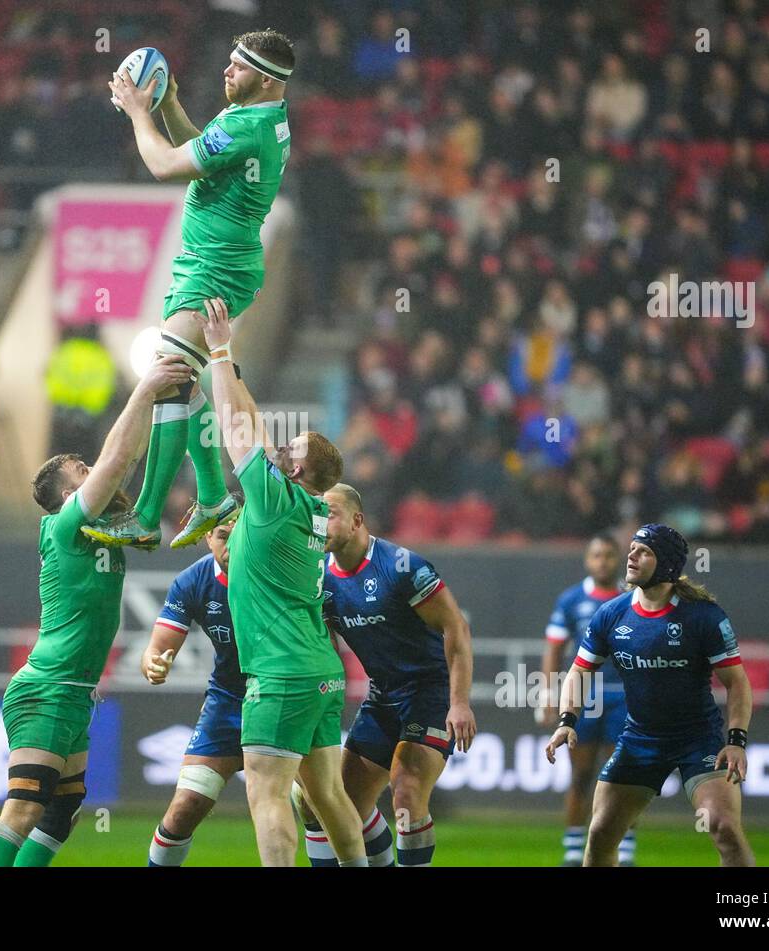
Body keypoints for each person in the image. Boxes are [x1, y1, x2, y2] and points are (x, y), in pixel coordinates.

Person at [83, 29, 296, 551]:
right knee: (180, 380)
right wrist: (170, 104)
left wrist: (139, 112)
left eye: (238, 67)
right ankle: (211, 495)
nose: (227, 72)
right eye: (227, 61)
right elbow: (197, 150)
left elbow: (163, 166)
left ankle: (148, 514)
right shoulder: (254, 115)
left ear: (265, 79)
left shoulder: (250, 127)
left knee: (166, 376)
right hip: (208, 264)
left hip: (216, 270)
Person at [0, 355, 192, 867]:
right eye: (84, 471)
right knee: (23, 810)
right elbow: (118, 460)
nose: (96, 471)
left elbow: (129, 454)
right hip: (47, 688)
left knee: (63, 809)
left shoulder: (101, 526)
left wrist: (161, 403)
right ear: (71, 496)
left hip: (73, 693)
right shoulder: (62, 527)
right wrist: (143, 390)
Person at [196, 295, 366, 866]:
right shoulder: (313, 507)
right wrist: (231, 368)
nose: (279, 444)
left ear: (295, 469)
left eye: (288, 449)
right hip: (320, 672)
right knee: (327, 793)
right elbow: (256, 425)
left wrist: (218, 348)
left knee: (266, 792)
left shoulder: (271, 500)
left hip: (280, 671)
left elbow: (237, 427)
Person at [546, 524, 756, 866]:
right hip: (640, 739)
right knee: (599, 836)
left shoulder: (704, 617)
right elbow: (580, 670)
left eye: (643, 551)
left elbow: (737, 683)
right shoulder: (612, 614)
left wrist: (736, 741)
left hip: (698, 740)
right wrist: (567, 720)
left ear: (668, 565)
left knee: (724, 828)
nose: (631, 556)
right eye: (631, 549)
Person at [295, 483, 476, 867]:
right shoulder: (318, 580)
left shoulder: (402, 567)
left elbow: (455, 628)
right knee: (338, 803)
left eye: (330, 515)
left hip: (431, 692)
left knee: (407, 791)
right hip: (383, 695)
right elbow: (321, 647)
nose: (320, 524)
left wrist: (459, 703)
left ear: (357, 519)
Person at [140, 523, 243, 865]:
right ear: (206, 538)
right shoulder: (192, 581)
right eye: (223, 536)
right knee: (185, 807)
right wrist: (154, 664)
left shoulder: (278, 568)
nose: (231, 544)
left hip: (285, 697)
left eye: (240, 533)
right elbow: (156, 648)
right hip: (228, 700)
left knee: (311, 805)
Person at [538, 533, 635, 865]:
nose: (603, 561)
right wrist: (549, 696)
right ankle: (573, 847)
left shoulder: (633, 597)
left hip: (625, 698)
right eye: (597, 555)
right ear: (587, 560)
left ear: (618, 559)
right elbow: (554, 648)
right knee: (581, 776)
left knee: (623, 778)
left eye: (609, 555)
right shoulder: (571, 600)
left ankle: (624, 848)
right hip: (584, 698)